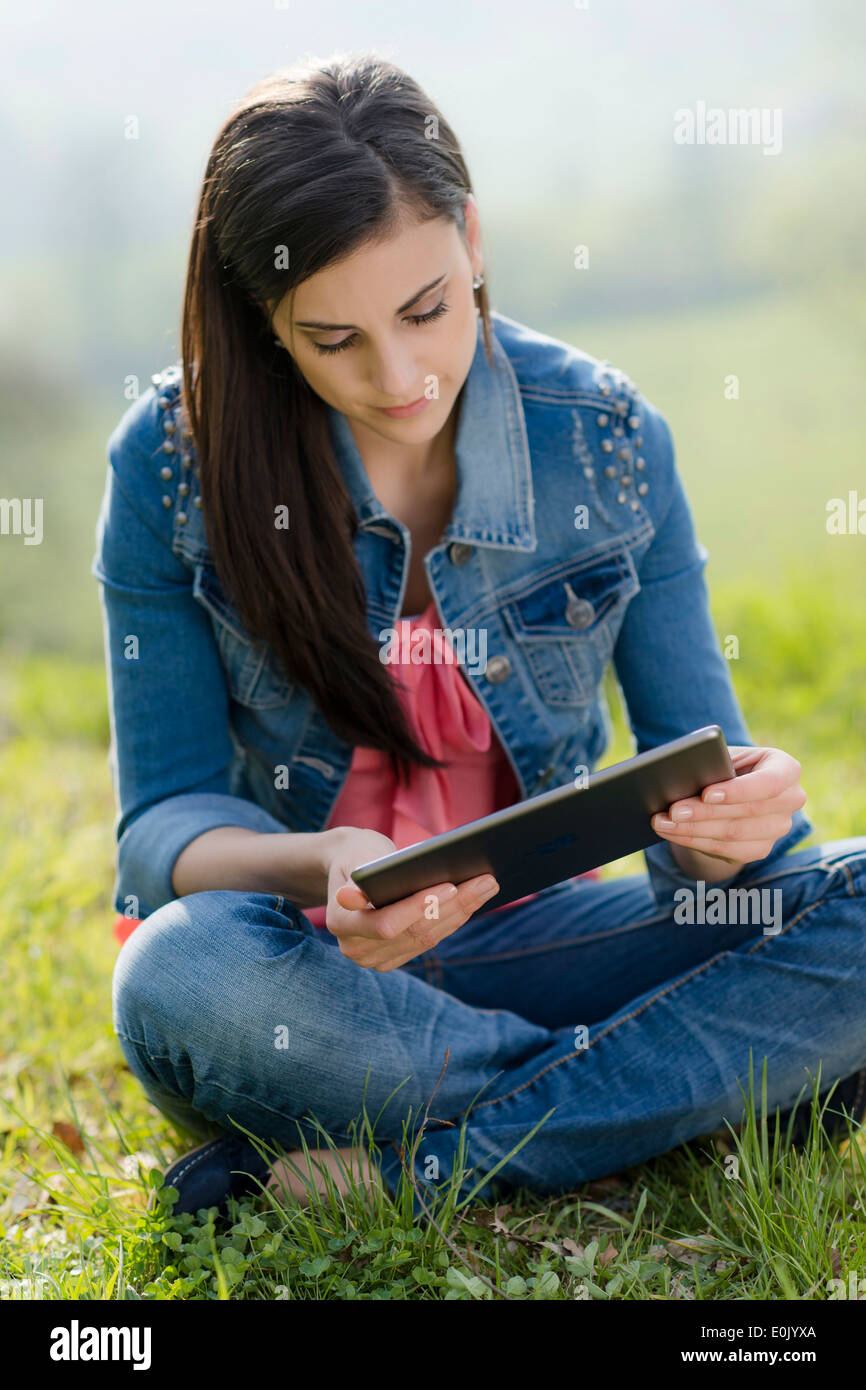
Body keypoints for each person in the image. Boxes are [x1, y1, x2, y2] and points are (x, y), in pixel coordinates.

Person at [93, 50, 866, 1217]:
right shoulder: (170, 462)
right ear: (267, 322)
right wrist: (322, 862)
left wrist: (724, 832)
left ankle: (432, 1163)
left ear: (472, 239)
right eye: (333, 339)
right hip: (311, 982)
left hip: (541, 946)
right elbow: (162, 824)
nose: (401, 376)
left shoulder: (605, 441)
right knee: (176, 969)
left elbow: (722, 855)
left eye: (425, 309)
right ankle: (679, 1087)